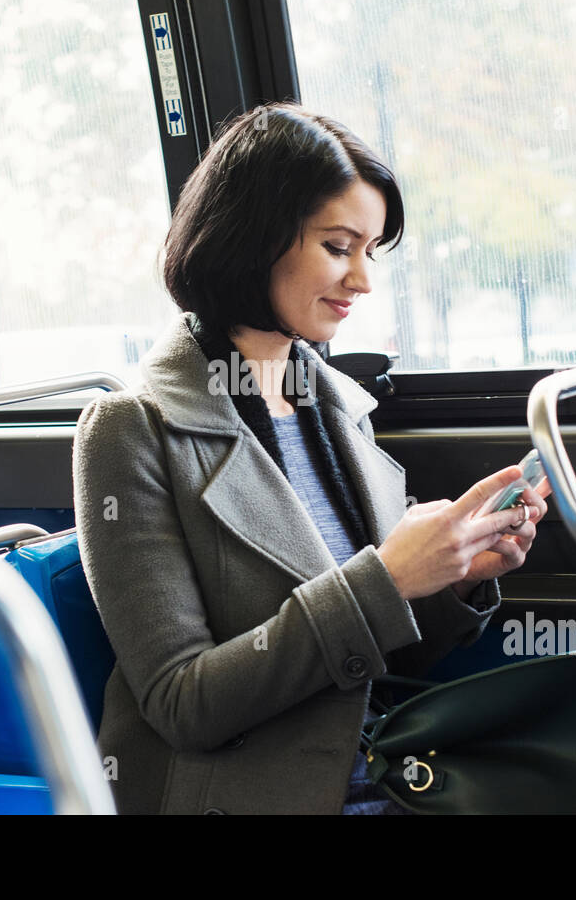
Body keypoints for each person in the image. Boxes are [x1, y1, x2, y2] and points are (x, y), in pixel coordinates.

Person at [72, 102, 548, 814]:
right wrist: (387, 579)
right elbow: (182, 703)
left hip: (384, 770)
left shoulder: (337, 409)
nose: (361, 279)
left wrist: (449, 581)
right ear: (254, 237)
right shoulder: (130, 430)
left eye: (370, 251)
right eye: (338, 246)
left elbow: (370, 658)